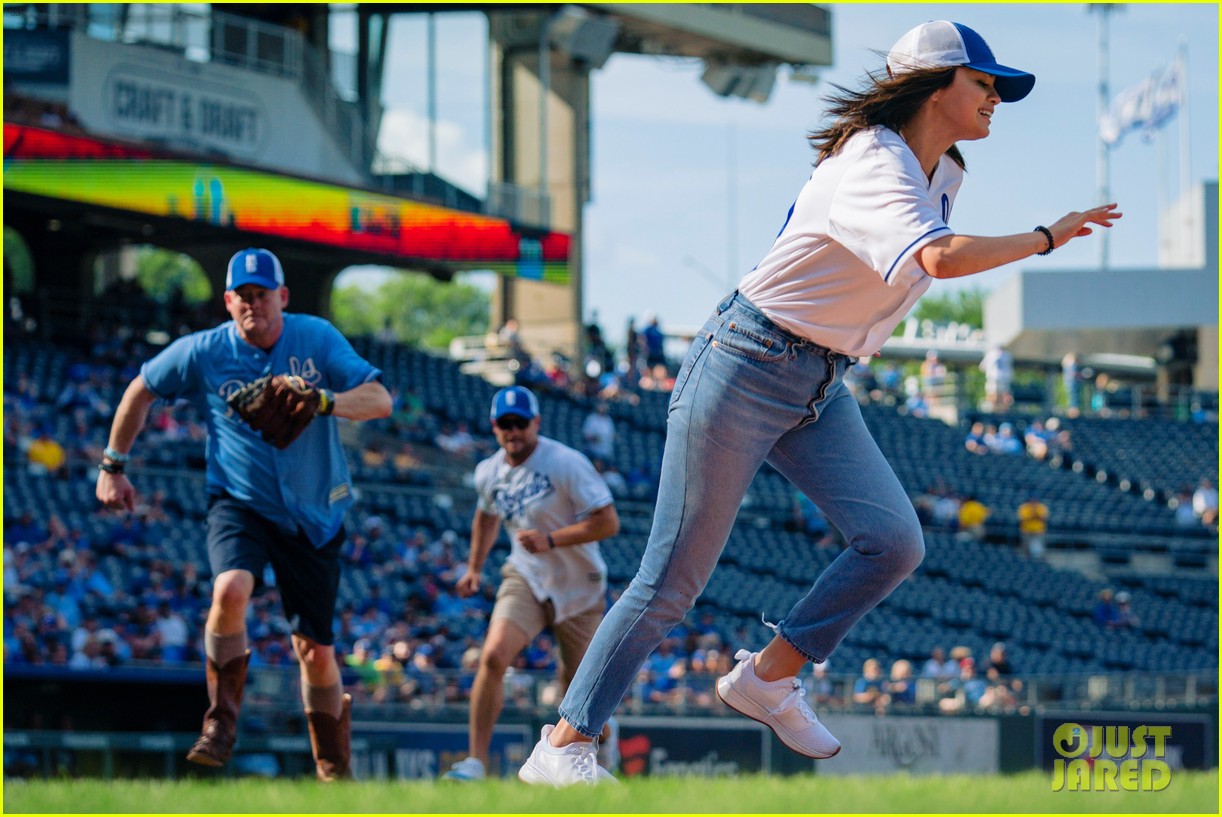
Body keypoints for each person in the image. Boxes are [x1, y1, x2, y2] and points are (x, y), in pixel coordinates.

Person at [518, 20, 1120, 786]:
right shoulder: (874, 157)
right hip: (745, 362)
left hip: (819, 378)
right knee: (670, 583)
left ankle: (768, 678)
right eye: (983, 80)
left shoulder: (942, 170)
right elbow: (936, 258)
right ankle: (563, 744)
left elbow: (905, 266)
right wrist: (1044, 236)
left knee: (894, 540)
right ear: (931, 85)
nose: (996, 96)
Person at [95, 248, 391, 781]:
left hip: (314, 512)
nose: (254, 303)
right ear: (228, 301)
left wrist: (323, 400)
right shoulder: (205, 350)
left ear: (283, 296)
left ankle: (333, 768)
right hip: (240, 500)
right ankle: (220, 722)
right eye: (244, 295)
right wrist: (113, 465)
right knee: (230, 589)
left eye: (263, 294)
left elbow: (379, 399)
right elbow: (140, 389)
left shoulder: (317, 337)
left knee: (315, 652)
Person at [443, 386, 620, 782]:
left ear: (536, 422)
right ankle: (475, 762)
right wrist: (474, 567)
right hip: (526, 576)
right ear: (494, 427)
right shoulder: (488, 471)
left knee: (581, 695)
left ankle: (605, 746)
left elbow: (608, 522)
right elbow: (486, 515)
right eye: (505, 424)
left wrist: (552, 540)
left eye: (520, 422)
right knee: (493, 657)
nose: (513, 431)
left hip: (578, 585)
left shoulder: (565, 462)